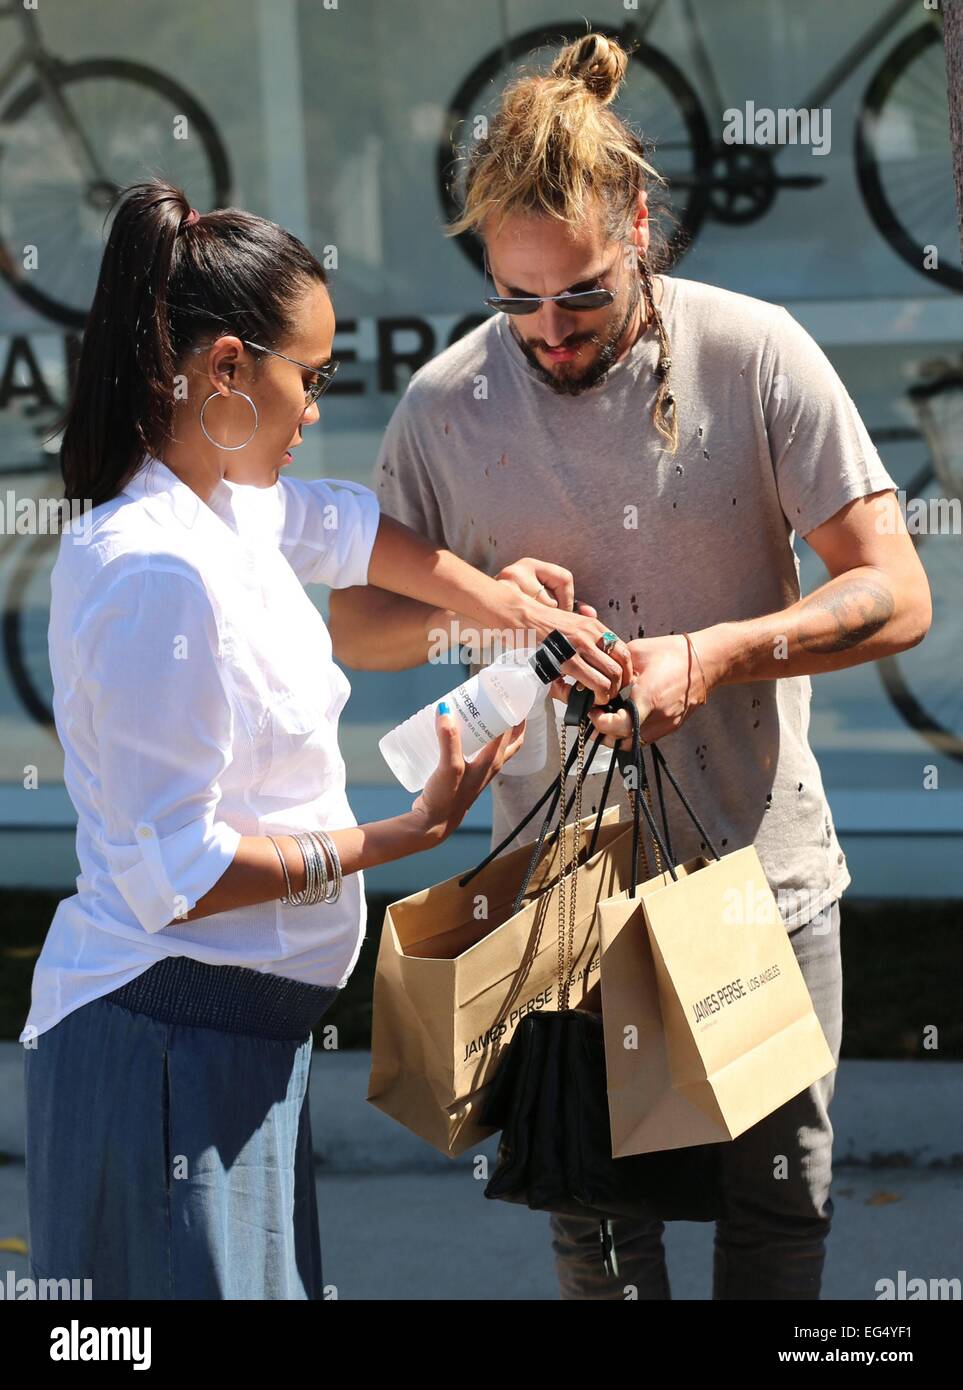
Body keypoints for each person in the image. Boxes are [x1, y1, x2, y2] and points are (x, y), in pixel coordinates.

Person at [328, 33, 932, 1299]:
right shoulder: (446, 404)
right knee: (597, 1228)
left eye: (584, 295)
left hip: (757, 875)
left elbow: (897, 590)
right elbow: (359, 628)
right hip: (566, 895)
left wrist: (713, 655)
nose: (548, 333)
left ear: (641, 224)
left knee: (778, 1214)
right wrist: (489, 617)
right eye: (517, 301)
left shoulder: (755, 353)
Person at [19, 178, 632, 1301]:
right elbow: (182, 875)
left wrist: (511, 609)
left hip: (237, 1050)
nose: (317, 405)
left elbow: (353, 531)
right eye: (310, 376)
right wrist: (407, 832)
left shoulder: (228, 507)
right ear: (224, 371)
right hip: (162, 1050)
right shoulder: (156, 572)